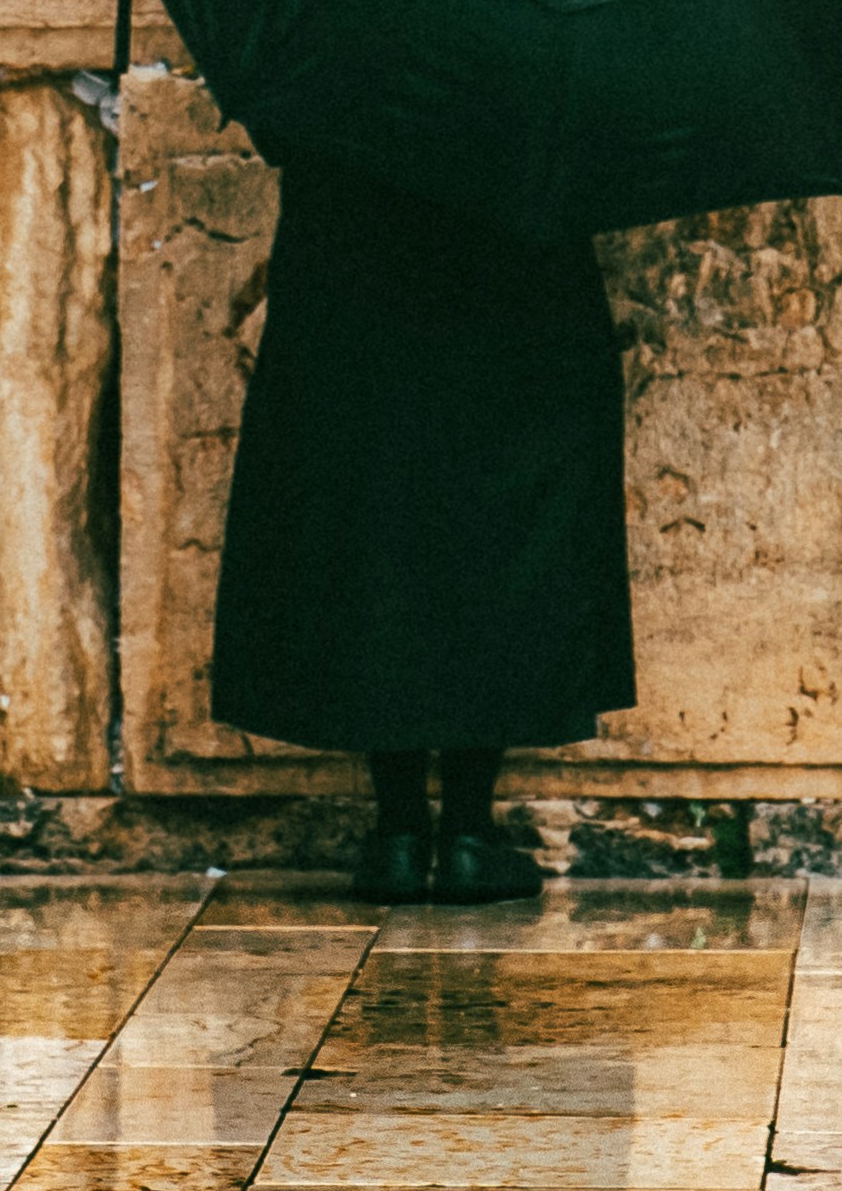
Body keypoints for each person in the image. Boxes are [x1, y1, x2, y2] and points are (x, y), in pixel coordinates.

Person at [207, 162, 636, 908]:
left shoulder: (335, 50)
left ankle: (398, 832)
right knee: (498, 525)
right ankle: (468, 831)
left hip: (351, 265)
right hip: (508, 259)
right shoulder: (542, 61)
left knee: (373, 521)